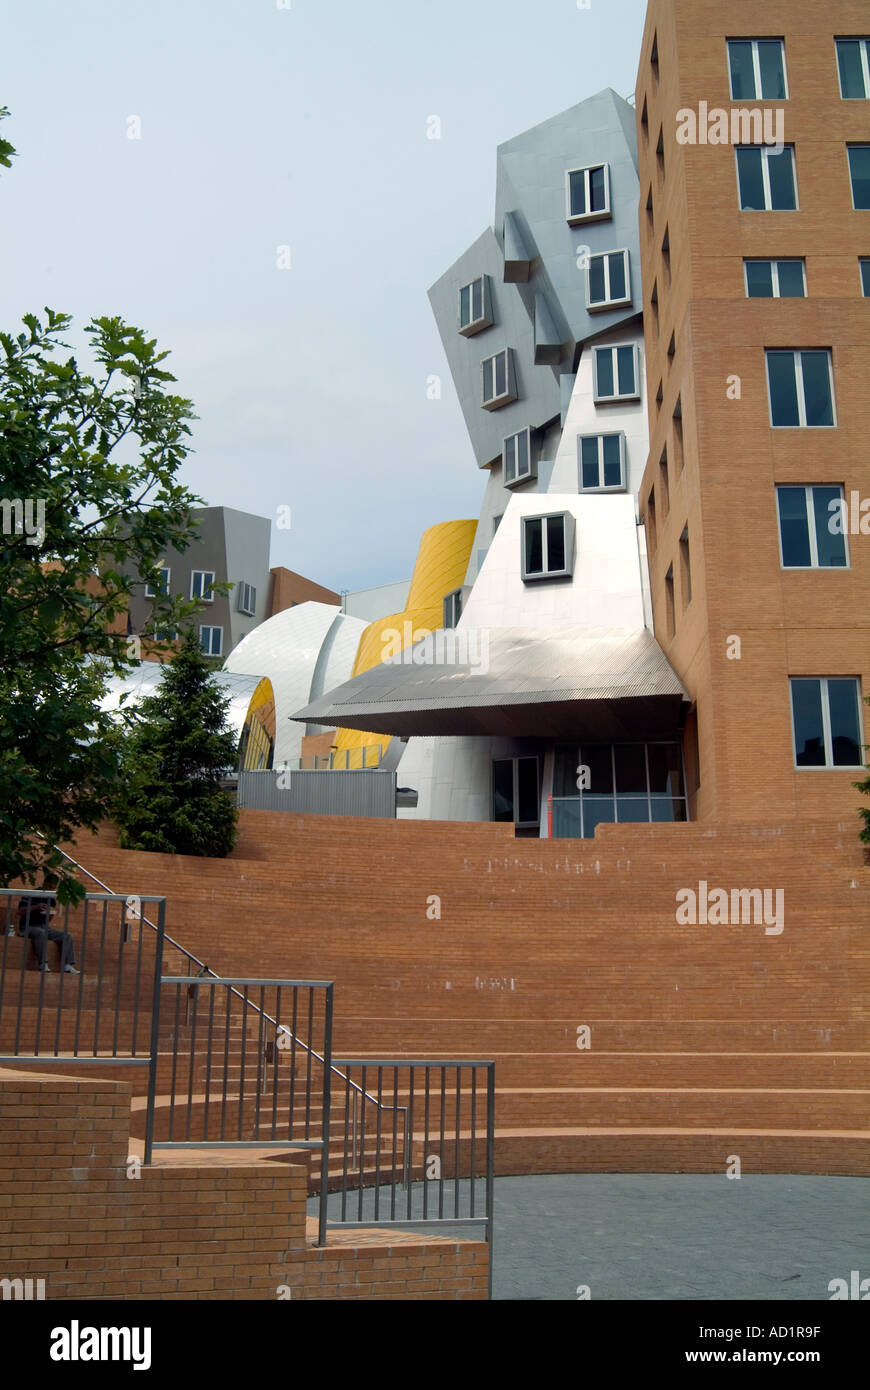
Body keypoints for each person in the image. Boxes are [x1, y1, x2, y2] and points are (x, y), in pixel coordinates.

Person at [16, 893, 79, 974]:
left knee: (67, 935)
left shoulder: (51, 898)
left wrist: (50, 915)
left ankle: (68, 965)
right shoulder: (30, 894)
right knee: (41, 933)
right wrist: (37, 907)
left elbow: (48, 919)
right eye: (49, 885)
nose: (51, 887)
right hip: (28, 926)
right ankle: (43, 963)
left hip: (44, 926)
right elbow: (20, 911)